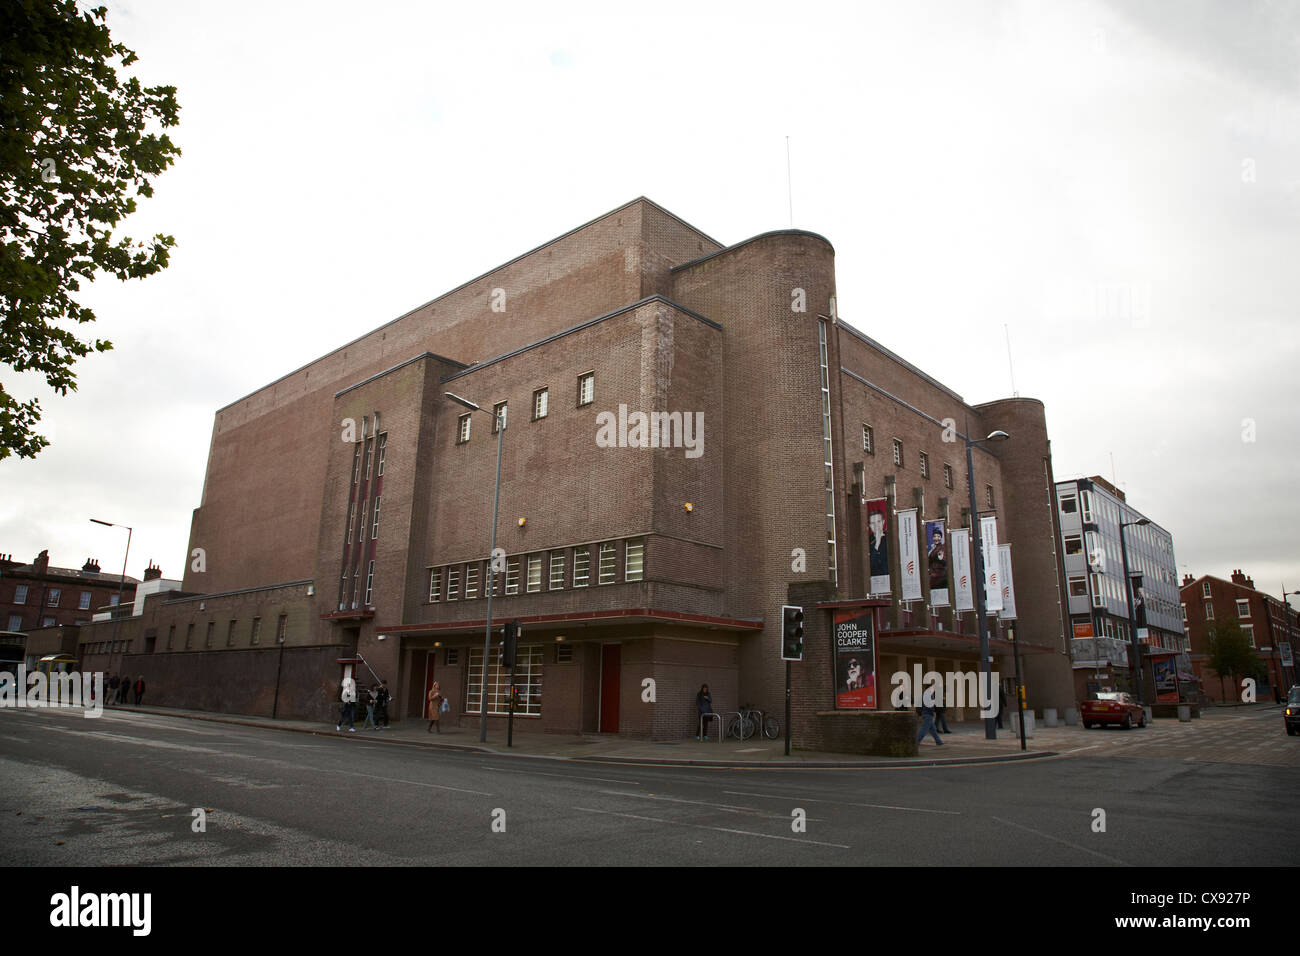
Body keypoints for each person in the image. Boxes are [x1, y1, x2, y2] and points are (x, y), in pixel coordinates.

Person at [868, 510, 889, 578]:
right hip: (874, 582)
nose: (876, 525)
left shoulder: (890, 539)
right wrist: (877, 543)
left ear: (883, 522)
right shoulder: (866, 541)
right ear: (870, 525)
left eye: (878, 522)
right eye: (873, 523)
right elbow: (868, 565)